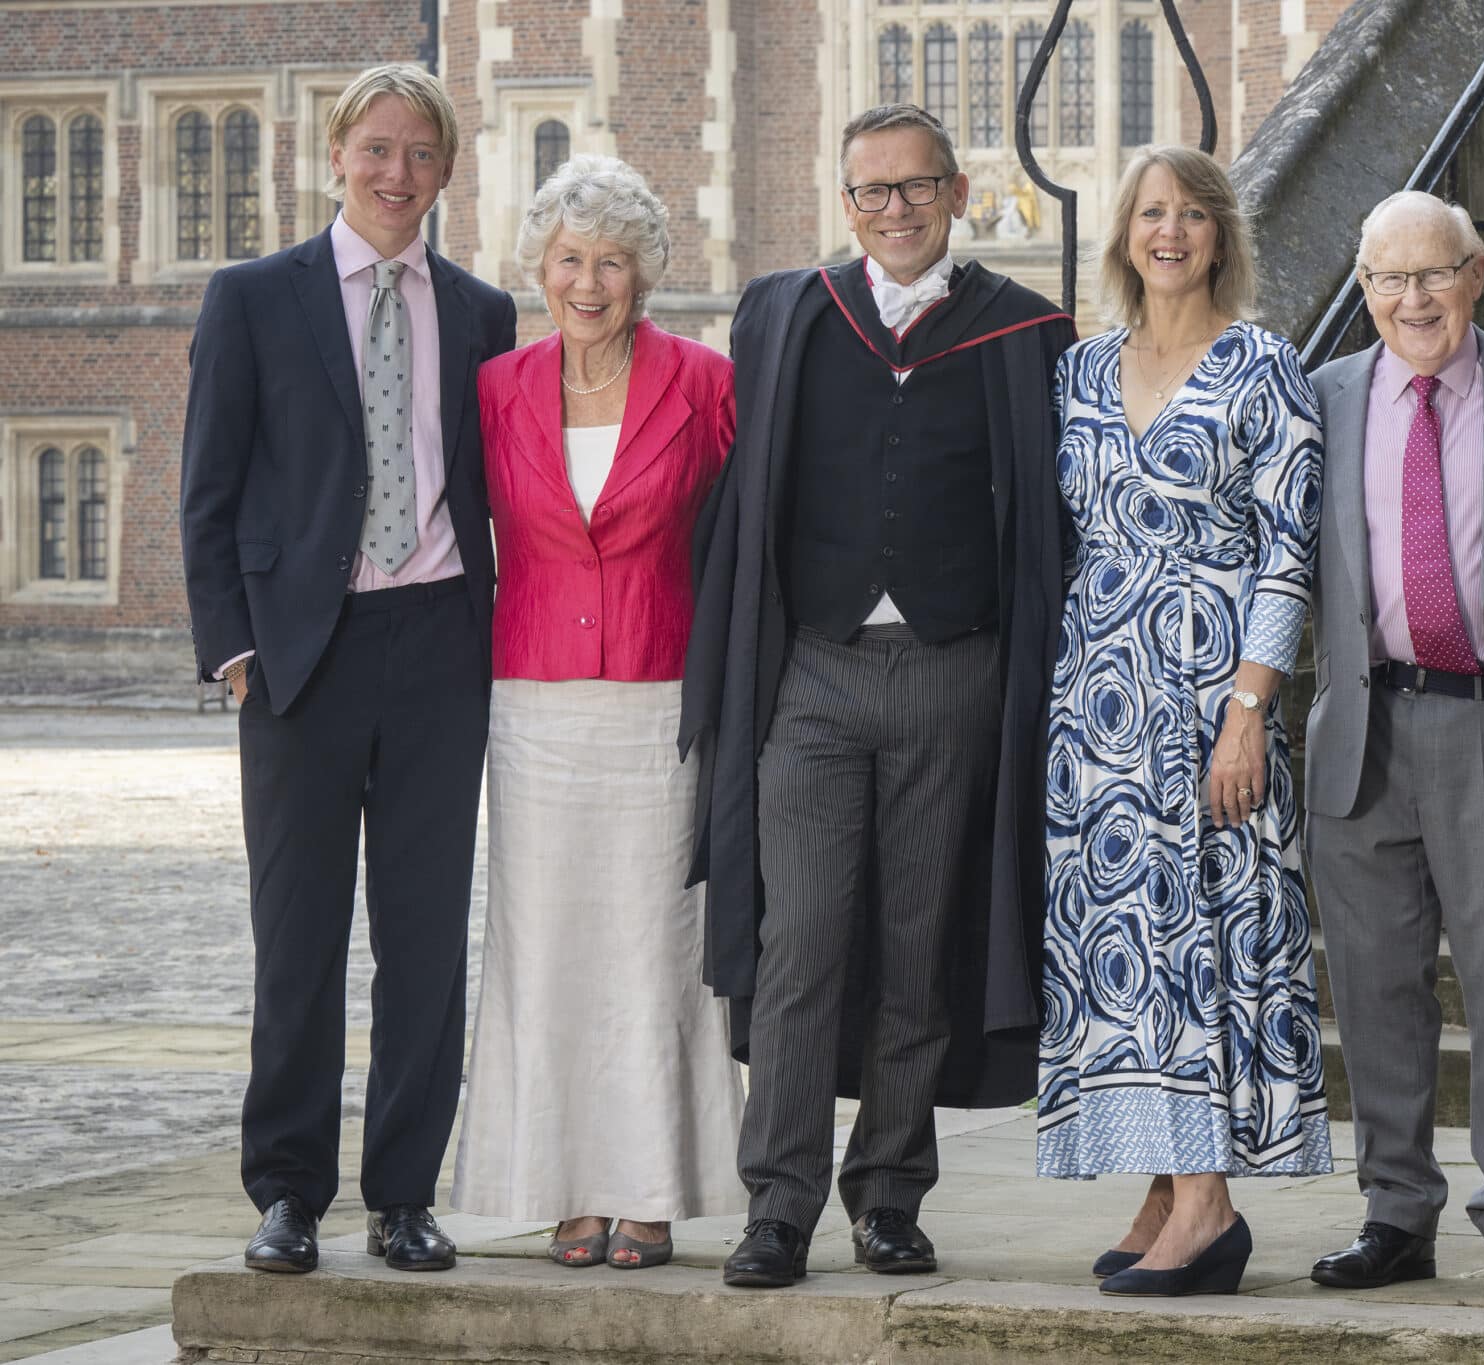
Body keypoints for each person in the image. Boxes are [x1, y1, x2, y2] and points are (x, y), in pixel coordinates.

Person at [679, 103, 1076, 1289]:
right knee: (799, 941)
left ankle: (890, 1195)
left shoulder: (1024, 334)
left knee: (917, 946)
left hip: (954, 673)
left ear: (957, 195)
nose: (893, 210)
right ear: (843, 202)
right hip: (816, 675)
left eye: (915, 188)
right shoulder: (789, 313)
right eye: (870, 192)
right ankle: (779, 1205)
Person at [179, 64, 517, 1274]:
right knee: (299, 937)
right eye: (376, 150)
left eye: (420, 154)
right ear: (337, 156)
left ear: (445, 170)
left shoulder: (482, 313)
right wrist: (233, 652)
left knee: (425, 942)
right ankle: (286, 1194)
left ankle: (405, 1196)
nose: (396, 174)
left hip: (436, 645)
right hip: (296, 660)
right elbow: (207, 492)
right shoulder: (253, 298)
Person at [1036, 144, 1329, 1300]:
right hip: (1095, 700)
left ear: (1220, 235)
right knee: (1122, 951)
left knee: (1206, 939)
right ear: (1124, 234)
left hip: (1210, 694)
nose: (1169, 232)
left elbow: (1286, 553)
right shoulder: (1080, 368)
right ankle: (1157, 1182)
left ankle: (1209, 1201)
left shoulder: (1264, 366)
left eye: (1191, 214)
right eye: (1150, 213)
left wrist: (1247, 713)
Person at [1301, 191, 1484, 1298]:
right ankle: (1394, 1214)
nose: (1410, 299)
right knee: (1374, 984)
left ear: (1475, 274)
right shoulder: (1322, 395)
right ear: (1364, 286)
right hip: (1361, 726)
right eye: (1387, 279)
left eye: (1433, 275)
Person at [449, 155, 744, 1270]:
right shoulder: (493, 390)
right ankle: (559, 1186)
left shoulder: (707, 384)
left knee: (655, 952)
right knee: (545, 951)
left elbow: (738, 541)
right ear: (538, 267)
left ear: (645, 274)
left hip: (661, 703)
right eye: (569, 260)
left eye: (610, 262)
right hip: (531, 704)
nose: (587, 283)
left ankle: (651, 1189)